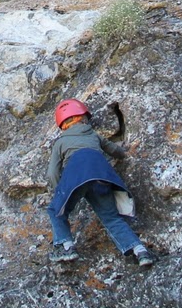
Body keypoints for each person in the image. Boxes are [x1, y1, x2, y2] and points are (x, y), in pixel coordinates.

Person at [47, 99, 154, 266]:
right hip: (101, 175)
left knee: (55, 210)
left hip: (76, 175)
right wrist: (125, 154)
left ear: (63, 125)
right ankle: (140, 251)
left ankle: (66, 247)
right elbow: (115, 151)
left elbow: (52, 172)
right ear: (84, 118)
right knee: (111, 217)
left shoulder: (60, 143)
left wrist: (61, 194)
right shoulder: (93, 135)